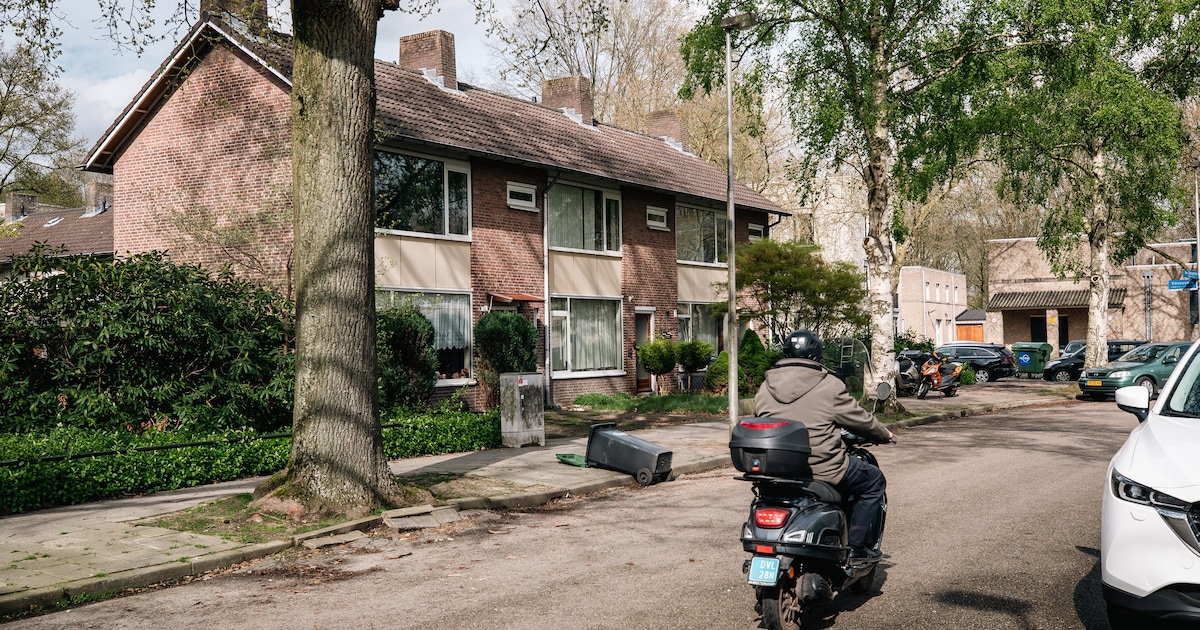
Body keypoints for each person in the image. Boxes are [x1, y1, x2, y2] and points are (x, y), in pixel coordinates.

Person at [754, 329, 896, 563]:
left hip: (776, 469)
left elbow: (760, 418)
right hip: (822, 468)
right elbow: (858, 419)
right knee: (873, 481)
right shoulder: (829, 384)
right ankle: (857, 548)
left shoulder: (766, 385)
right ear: (817, 355)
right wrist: (884, 433)